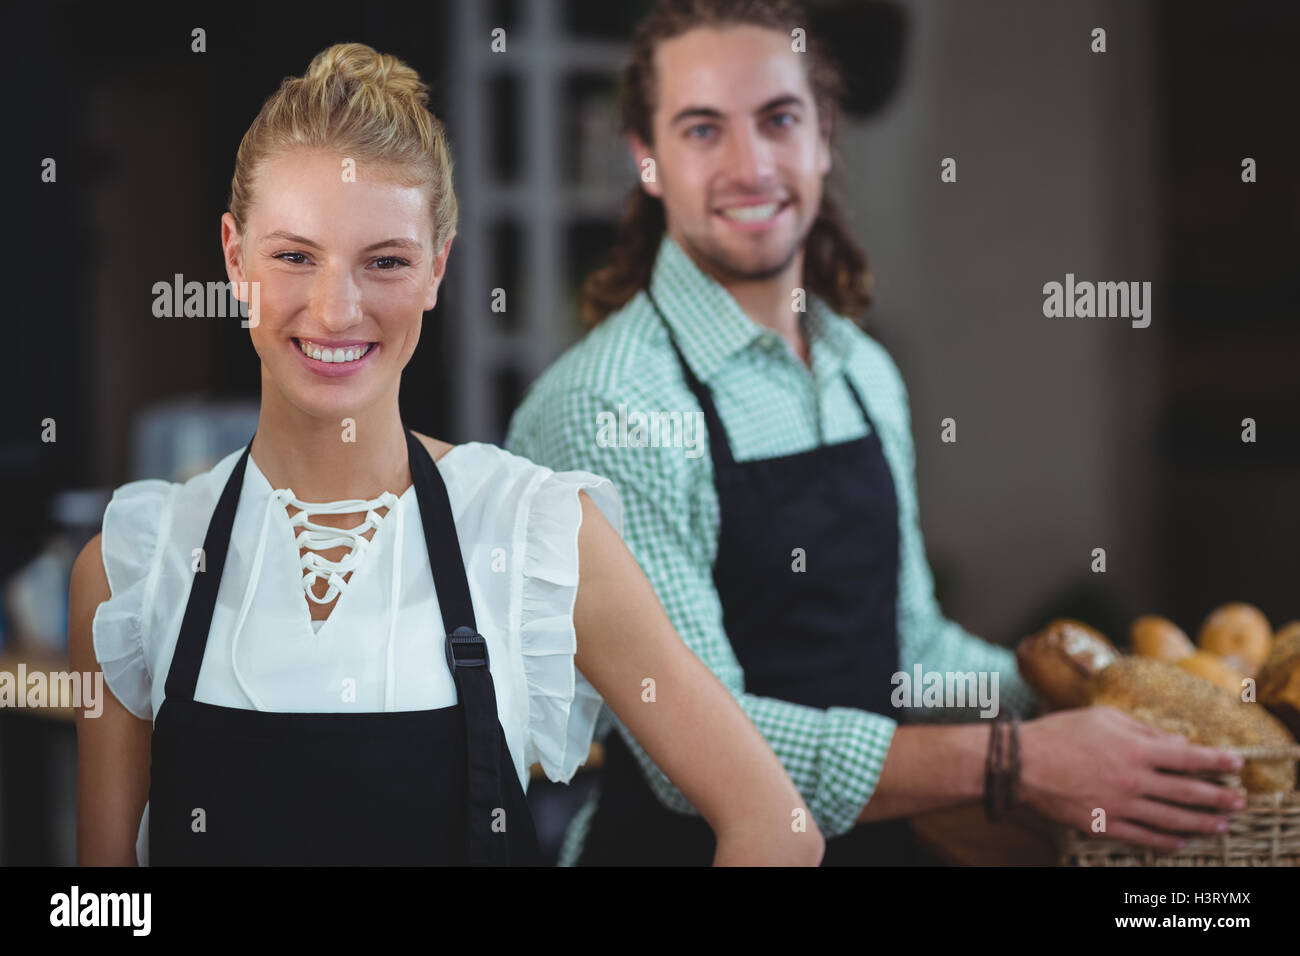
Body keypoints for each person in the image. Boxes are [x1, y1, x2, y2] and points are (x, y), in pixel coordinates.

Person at [505, 0, 1248, 865]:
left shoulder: (861, 372)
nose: (751, 166)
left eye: (779, 120)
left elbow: (912, 647)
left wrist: (1103, 698)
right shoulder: (609, 403)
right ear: (647, 159)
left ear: (823, 135)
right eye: (703, 130)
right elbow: (696, 757)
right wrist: (1018, 760)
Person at [68, 42, 825, 867]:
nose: (335, 309)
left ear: (438, 268)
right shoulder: (132, 571)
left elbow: (773, 826)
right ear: (233, 258)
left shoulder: (534, 533)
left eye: (385, 262)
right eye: (294, 256)